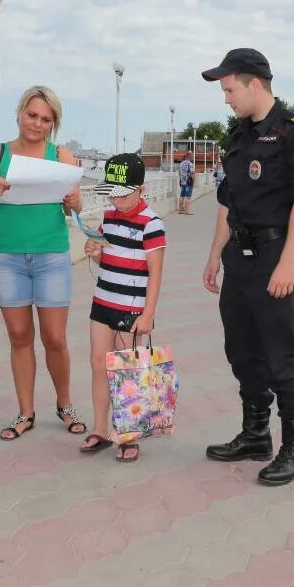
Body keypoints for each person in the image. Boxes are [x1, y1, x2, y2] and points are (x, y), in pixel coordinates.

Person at [200, 48, 294, 486]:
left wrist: (288, 262)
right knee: (241, 351)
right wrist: (215, 253)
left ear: (255, 83)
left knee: (283, 357)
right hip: (239, 258)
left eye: (230, 89)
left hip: (276, 258)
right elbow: (226, 200)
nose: (227, 98)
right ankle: (255, 435)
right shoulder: (238, 137)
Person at [0, 86, 87, 442]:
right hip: (8, 257)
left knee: (55, 337)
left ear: (53, 123)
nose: (36, 124)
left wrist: (73, 199)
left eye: (45, 119)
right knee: (19, 336)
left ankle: (65, 404)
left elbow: (77, 205)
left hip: (51, 255)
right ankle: (25, 411)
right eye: (32, 115)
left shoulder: (61, 154)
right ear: (20, 112)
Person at [80, 153, 167, 462]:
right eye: (113, 193)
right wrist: (94, 252)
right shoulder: (108, 217)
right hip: (103, 300)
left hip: (131, 308)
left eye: (124, 193)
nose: (117, 200)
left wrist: (148, 314)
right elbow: (107, 259)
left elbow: (155, 273)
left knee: (126, 369)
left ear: (141, 190)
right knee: (97, 363)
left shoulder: (152, 223)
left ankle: (129, 435)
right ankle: (101, 429)